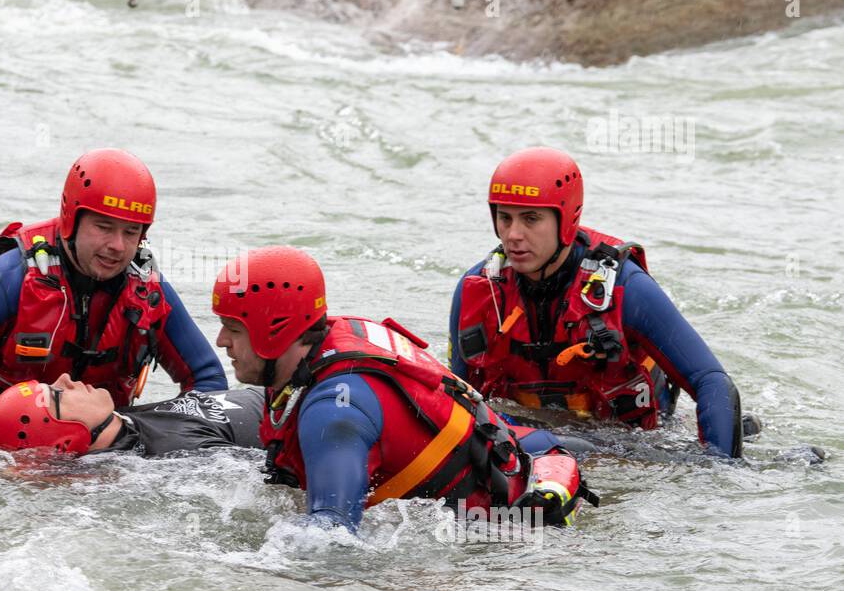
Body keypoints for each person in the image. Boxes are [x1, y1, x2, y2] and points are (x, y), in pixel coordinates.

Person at [210, 246, 596, 533]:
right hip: (526, 449)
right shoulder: (325, 351)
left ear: (274, 330)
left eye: (234, 328)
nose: (221, 340)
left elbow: (330, 543)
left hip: (515, 524)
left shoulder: (333, 411)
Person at [0, 149, 227, 446]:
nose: (118, 245)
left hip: (89, 451)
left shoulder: (148, 289)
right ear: (70, 218)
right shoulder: (5, 279)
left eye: (131, 232)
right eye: (104, 227)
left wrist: (165, 447)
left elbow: (208, 380)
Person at [448, 147, 744, 457]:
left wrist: (718, 474)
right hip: (532, 442)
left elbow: (712, 382)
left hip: (634, 447)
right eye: (504, 218)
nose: (513, 235)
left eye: (531, 219)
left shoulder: (627, 289)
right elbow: (461, 400)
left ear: (567, 219)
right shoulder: (478, 290)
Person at [0, 374, 263, 456]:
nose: (65, 378)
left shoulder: (124, 421)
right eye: (56, 394)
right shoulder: (175, 454)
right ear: (66, 440)